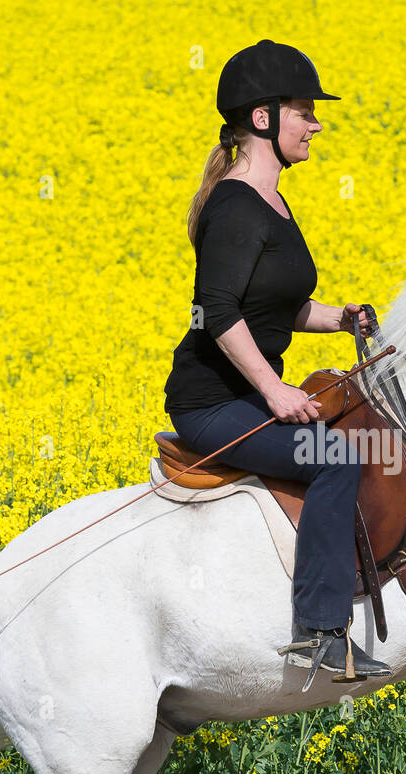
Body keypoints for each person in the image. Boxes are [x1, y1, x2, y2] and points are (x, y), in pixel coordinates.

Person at [164, 38, 391, 689]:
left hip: (244, 395)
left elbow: (278, 310)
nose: (317, 124)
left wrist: (340, 318)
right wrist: (272, 389)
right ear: (262, 118)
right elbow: (215, 308)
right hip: (212, 404)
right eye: (304, 111)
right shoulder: (236, 205)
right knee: (335, 457)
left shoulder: (274, 202)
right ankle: (319, 635)